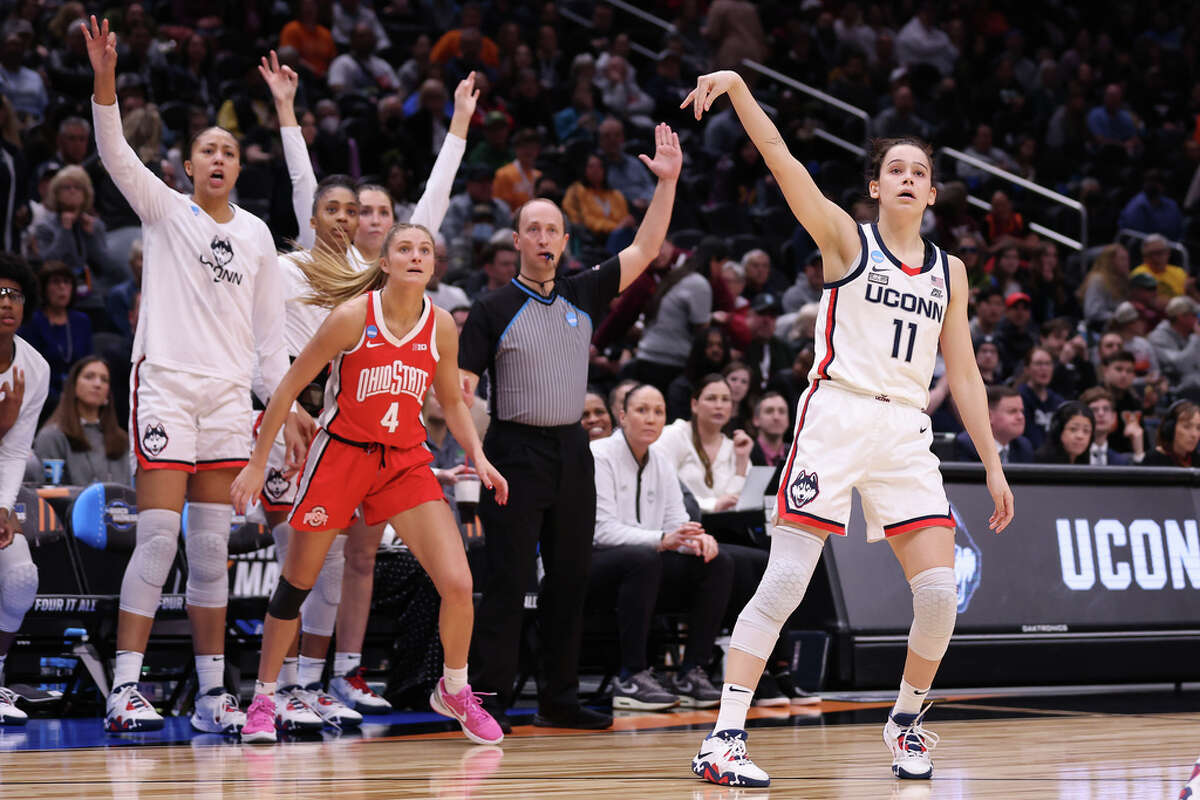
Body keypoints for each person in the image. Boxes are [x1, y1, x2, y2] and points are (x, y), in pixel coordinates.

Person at [681, 71, 1014, 787]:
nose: (906, 177)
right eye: (894, 167)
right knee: (786, 582)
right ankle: (723, 739)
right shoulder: (843, 237)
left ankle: (903, 725)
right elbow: (781, 158)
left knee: (937, 594)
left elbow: (963, 373)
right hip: (836, 413)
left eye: (919, 172)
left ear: (930, 194)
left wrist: (991, 460)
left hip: (903, 432)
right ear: (875, 186)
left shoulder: (950, 273)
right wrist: (740, 89)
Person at [85, 17, 303, 736]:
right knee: (158, 539)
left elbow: (271, 343)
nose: (218, 158)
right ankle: (124, 689)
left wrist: (286, 405)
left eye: (229, 151)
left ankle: (213, 697)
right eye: (207, 149)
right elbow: (113, 151)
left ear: (239, 169)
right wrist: (107, 78)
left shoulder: (258, 236)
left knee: (211, 547)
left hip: (226, 397)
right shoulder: (165, 210)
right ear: (187, 163)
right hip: (167, 384)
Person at [230, 221, 508, 746]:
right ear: (384, 262)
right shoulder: (353, 316)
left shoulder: (442, 325)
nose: (416, 256)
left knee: (458, 582)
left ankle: (454, 688)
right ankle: (264, 699)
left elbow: (451, 400)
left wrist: (480, 456)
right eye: (404, 248)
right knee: (297, 586)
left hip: (404, 461)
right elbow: (288, 387)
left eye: (425, 250)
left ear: (433, 264)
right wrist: (256, 462)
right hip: (341, 457)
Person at [458, 123, 681, 733]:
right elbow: (460, 391)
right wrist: (475, 452)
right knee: (506, 582)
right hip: (512, 450)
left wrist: (667, 183)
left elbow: (646, 249)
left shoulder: (584, 292)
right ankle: (492, 697)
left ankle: (559, 696)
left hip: (571, 450)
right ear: (517, 239)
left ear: (563, 239)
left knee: (571, 581)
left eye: (552, 228)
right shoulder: (490, 307)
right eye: (532, 228)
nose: (542, 237)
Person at [589, 384, 731, 711]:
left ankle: (691, 672)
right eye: (641, 410)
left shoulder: (661, 462)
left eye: (658, 412)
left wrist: (696, 538)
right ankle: (631, 675)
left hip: (643, 567)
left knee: (717, 561)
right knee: (645, 557)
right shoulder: (600, 456)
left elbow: (677, 524)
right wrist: (661, 540)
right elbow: (601, 531)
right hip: (594, 566)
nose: (651, 419)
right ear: (622, 417)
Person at [0, 253, 50, 725]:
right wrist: (4, 419)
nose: (6, 302)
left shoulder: (35, 368)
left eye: (14, 293)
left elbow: (14, 452)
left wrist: (3, 507)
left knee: (20, 578)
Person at [653, 375, 752, 513]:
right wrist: (712, 505)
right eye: (711, 398)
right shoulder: (673, 435)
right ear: (694, 405)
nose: (719, 405)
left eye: (725, 399)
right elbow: (660, 488)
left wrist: (742, 463)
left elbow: (737, 502)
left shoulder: (736, 447)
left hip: (727, 528)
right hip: (681, 525)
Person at [33, 356, 128, 486]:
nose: (97, 384)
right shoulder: (52, 436)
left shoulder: (122, 440)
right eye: (89, 377)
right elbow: (50, 493)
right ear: (73, 386)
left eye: (104, 380)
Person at [17, 261, 92, 407]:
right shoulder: (32, 322)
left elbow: (88, 364)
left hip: (78, 398)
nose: (62, 287)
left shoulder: (82, 321)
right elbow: (30, 371)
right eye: (55, 282)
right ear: (44, 289)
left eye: (67, 282)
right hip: (43, 399)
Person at [27, 165, 108, 284]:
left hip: (92, 292)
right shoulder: (44, 226)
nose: (72, 191)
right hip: (58, 289)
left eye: (78, 187)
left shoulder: (95, 225)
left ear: (86, 193)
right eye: (67, 187)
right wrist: (65, 230)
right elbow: (48, 263)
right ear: (56, 193)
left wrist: (90, 236)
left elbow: (103, 265)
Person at [562, 153, 633, 243]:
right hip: (591, 238)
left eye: (599, 167)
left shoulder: (616, 194)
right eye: (591, 166)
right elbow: (586, 220)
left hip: (619, 235)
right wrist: (617, 227)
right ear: (584, 169)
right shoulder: (576, 190)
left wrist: (621, 226)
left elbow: (624, 218)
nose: (595, 170)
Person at [953, 385, 1034, 463]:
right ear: (988, 416)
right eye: (1012, 411)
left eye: (1022, 411)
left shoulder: (1024, 446)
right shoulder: (967, 445)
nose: (1020, 417)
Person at [1148, 296, 1200, 395]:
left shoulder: (1191, 334)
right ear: (1181, 317)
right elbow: (1180, 366)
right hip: (1175, 392)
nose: (1198, 319)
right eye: (1195, 315)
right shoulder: (1158, 337)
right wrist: (1196, 338)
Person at [1079, 387, 1141, 465]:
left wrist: (1139, 452)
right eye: (1094, 410)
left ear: (1114, 417)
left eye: (1106, 409)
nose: (1101, 413)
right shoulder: (1074, 456)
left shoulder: (1121, 461)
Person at [1018, 347, 1064, 448]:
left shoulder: (1058, 401)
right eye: (1038, 364)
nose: (1044, 368)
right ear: (1027, 369)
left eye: (1048, 364)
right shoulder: (1018, 399)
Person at [1080, 244, 1130, 328]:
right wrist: (1119, 317)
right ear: (1110, 261)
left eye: (1127, 259)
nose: (1127, 263)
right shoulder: (1098, 280)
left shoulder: (1123, 280)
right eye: (1122, 259)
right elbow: (1093, 313)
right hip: (1098, 330)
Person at [1142, 401, 1200, 467]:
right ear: (1170, 429)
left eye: (1198, 428)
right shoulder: (1153, 459)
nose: (1194, 434)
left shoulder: (1197, 459)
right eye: (1187, 427)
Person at [1131, 234, 1188, 301]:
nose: (1155, 258)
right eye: (1151, 254)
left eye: (1159, 253)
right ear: (1144, 256)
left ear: (1168, 253)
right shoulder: (1139, 275)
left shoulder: (1179, 272)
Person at [750, 391, 790, 467]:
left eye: (782, 411)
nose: (776, 417)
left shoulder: (797, 455)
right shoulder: (745, 454)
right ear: (756, 419)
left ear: (788, 420)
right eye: (769, 411)